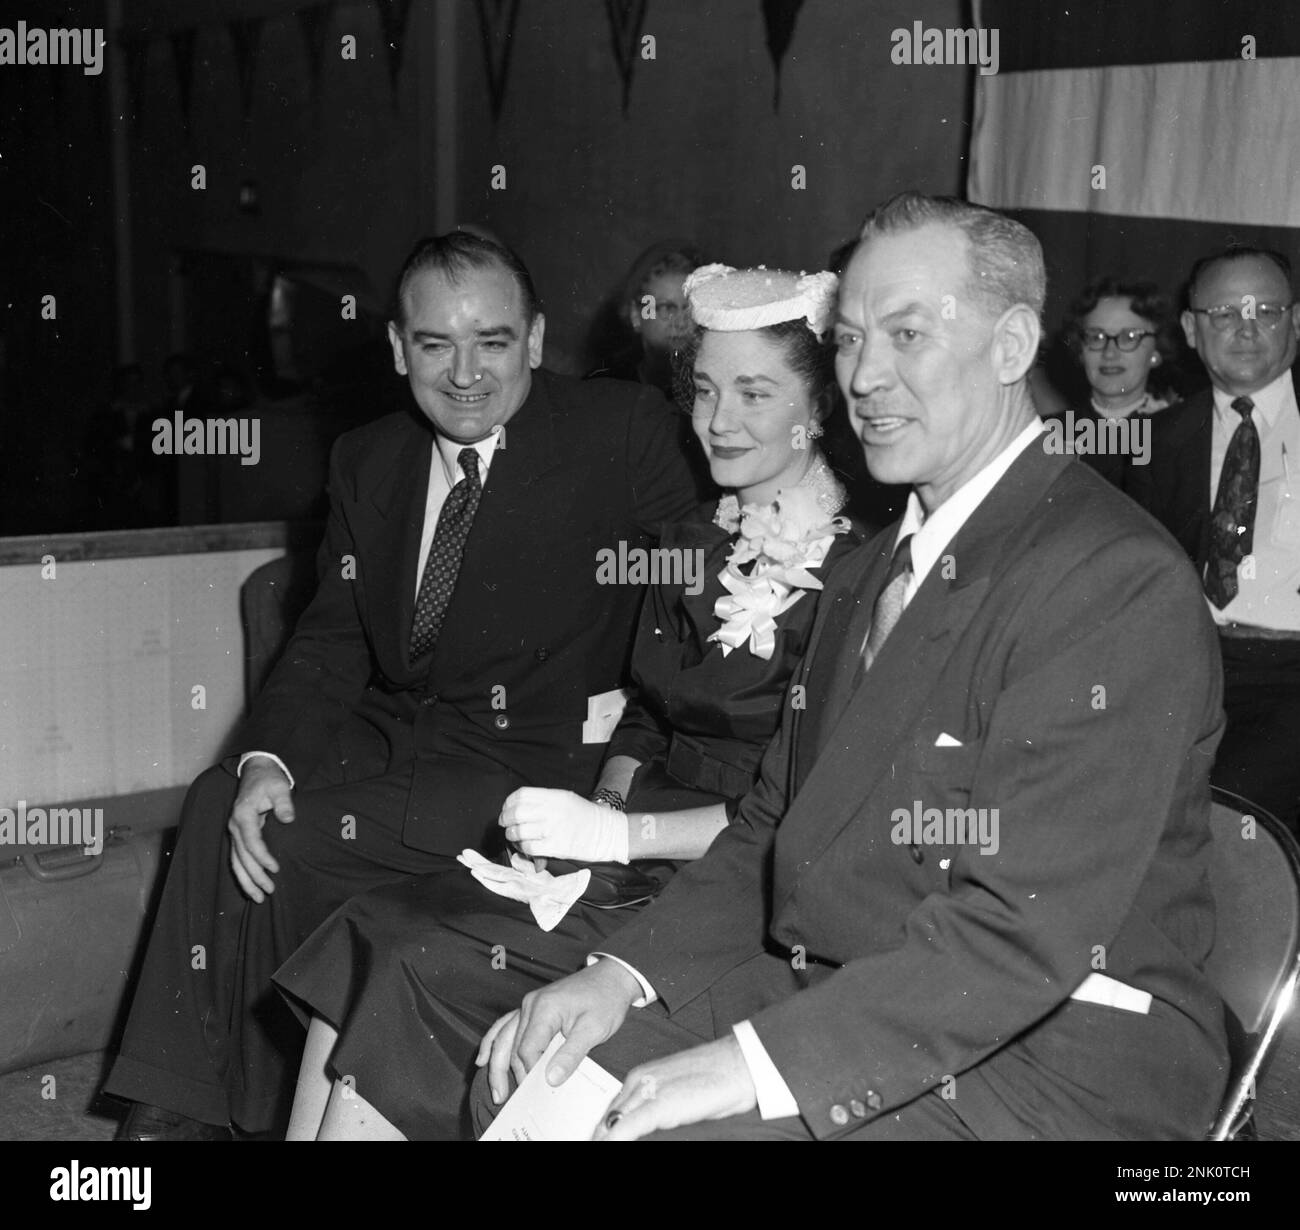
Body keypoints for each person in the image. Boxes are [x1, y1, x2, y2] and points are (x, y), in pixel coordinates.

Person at [470, 193, 1229, 1141]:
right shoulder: (868, 572)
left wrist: (752, 1065)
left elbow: (1021, 932)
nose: (866, 377)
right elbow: (773, 823)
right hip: (858, 982)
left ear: (1010, 347)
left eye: (907, 335)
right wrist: (620, 976)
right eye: (850, 341)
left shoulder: (1110, 581)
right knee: (526, 1079)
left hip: (1055, 1052)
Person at [104, 231, 703, 1139]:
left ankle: (236, 1111)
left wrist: (630, 762)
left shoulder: (618, 431)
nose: (465, 374)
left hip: (526, 765)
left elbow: (702, 592)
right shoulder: (368, 457)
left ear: (536, 340)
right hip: (395, 737)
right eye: (435, 345)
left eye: (493, 342)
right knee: (227, 799)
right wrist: (268, 759)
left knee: (298, 848)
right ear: (397, 348)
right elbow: (332, 638)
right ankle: (171, 1109)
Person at [273, 263, 865, 1139]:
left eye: (754, 394)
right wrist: (602, 810)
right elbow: (645, 714)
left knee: (419, 953)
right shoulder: (689, 542)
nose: (718, 421)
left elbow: (803, 816)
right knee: (378, 926)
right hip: (629, 842)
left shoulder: (858, 578)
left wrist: (619, 837)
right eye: (705, 391)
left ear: (818, 407)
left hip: (733, 879)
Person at [1131, 246, 1300, 836]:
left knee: (1228, 814)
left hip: (1292, 671)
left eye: (1266, 311)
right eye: (1225, 313)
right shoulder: (1153, 443)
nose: (1246, 330)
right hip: (1189, 666)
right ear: (1190, 329)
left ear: (1296, 321)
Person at [1046, 278, 1181, 493]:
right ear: (1081, 351)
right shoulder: (1048, 433)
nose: (1109, 353)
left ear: (1156, 351)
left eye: (1129, 337)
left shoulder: (1181, 432)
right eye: (1096, 337)